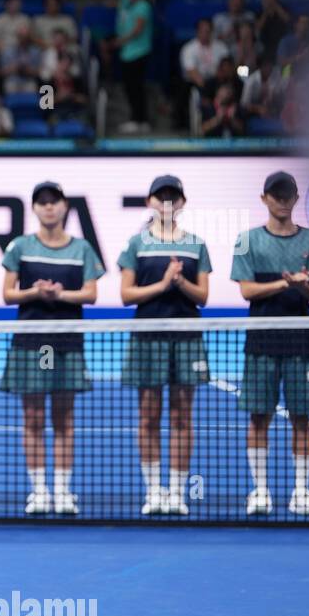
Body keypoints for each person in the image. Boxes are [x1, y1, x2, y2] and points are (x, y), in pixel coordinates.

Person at [231, 171, 309, 515]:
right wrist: (284, 283)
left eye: (287, 194)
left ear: (295, 198)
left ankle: (301, 491)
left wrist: (302, 285)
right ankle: (260, 491)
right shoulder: (247, 241)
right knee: (259, 418)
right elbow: (246, 290)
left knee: (300, 418)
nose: (282, 200)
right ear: (264, 199)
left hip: (301, 342)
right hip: (261, 341)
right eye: (276, 195)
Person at [0, 181, 105, 515]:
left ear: (64, 207)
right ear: (34, 208)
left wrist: (59, 294)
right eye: (42, 202)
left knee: (64, 418)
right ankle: (38, 491)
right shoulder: (19, 246)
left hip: (66, 340)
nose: (48, 207)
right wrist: (34, 292)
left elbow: (91, 294)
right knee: (32, 416)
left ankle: (62, 491)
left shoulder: (82, 249)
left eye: (54, 202)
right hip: (31, 341)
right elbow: (8, 294)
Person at [118, 175, 212, 515]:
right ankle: (153, 491)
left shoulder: (196, 245)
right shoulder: (135, 244)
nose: (167, 203)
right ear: (150, 203)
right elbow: (126, 296)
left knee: (182, 417)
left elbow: (202, 296)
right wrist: (162, 284)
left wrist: (181, 281)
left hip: (186, 337)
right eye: (161, 197)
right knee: (148, 416)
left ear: (183, 203)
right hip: (148, 336)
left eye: (173, 198)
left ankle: (177, 492)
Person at [106, 0, 153, 133]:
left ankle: (140, 119)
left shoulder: (143, 6)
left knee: (136, 87)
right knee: (129, 87)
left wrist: (120, 41)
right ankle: (137, 118)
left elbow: (138, 29)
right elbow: (119, 5)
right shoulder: (127, 5)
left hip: (139, 52)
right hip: (127, 53)